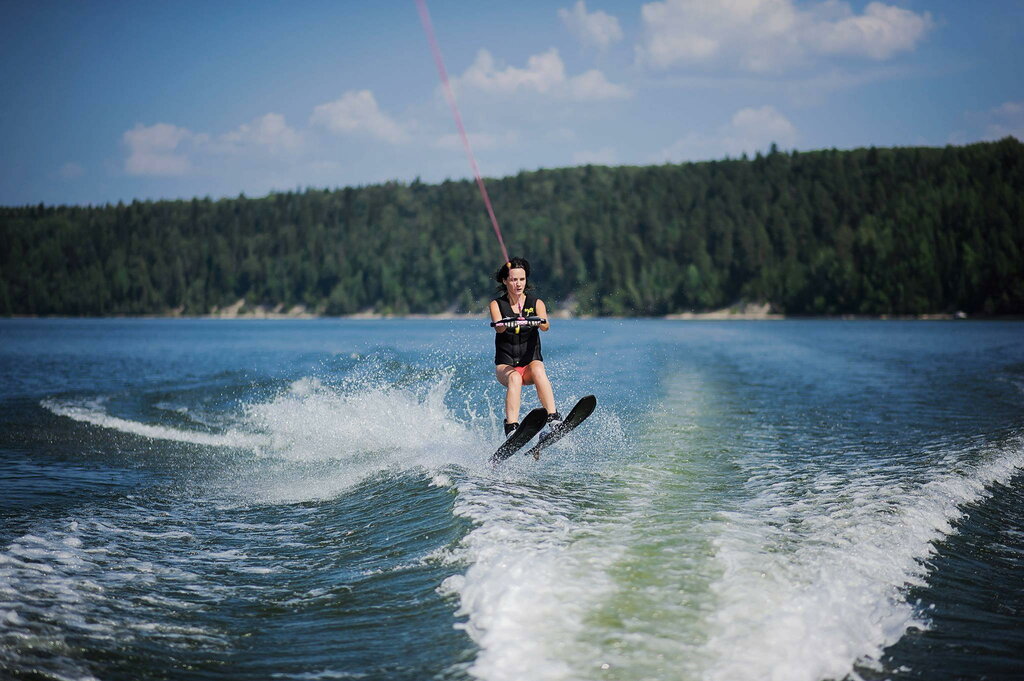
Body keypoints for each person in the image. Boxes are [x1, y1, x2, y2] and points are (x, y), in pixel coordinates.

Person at [489, 257, 561, 439]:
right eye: (513, 279)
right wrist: (507, 322)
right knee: (514, 378)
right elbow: (499, 327)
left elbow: (545, 326)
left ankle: (553, 417)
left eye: (521, 279)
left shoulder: (536, 304)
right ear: (505, 281)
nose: (518, 284)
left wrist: (535, 320)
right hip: (506, 366)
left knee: (538, 368)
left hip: (529, 365)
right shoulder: (497, 305)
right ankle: (512, 427)